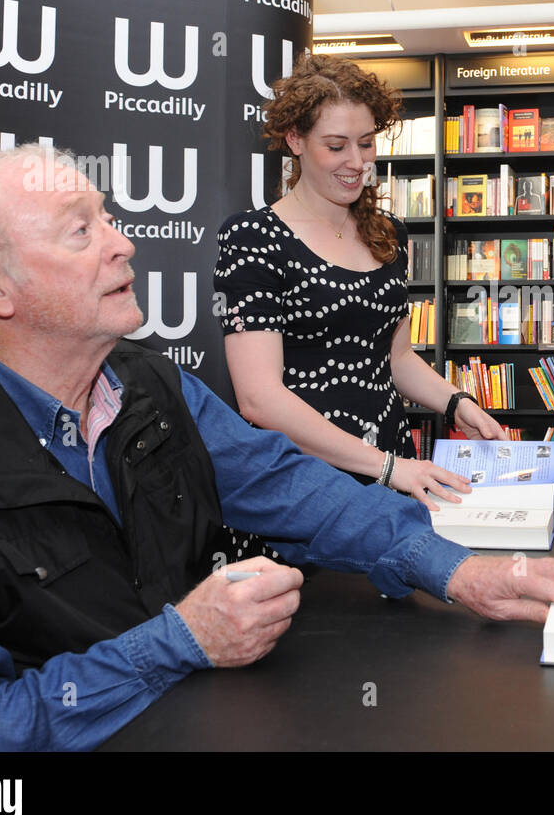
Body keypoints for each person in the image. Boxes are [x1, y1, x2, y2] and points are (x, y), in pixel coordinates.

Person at [0, 145, 554, 751]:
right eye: (79, 231)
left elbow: (293, 487)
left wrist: (459, 570)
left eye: (108, 219)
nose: (123, 242)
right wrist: (178, 641)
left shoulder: (153, 385)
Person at [214, 55, 504, 513]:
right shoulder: (253, 237)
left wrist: (456, 404)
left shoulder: (388, 233)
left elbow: (397, 356)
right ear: (295, 140)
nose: (356, 162)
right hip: (303, 478)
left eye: (366, 144)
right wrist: (386, 467)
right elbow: (258, 399)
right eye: (336, 146)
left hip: (392, 465)